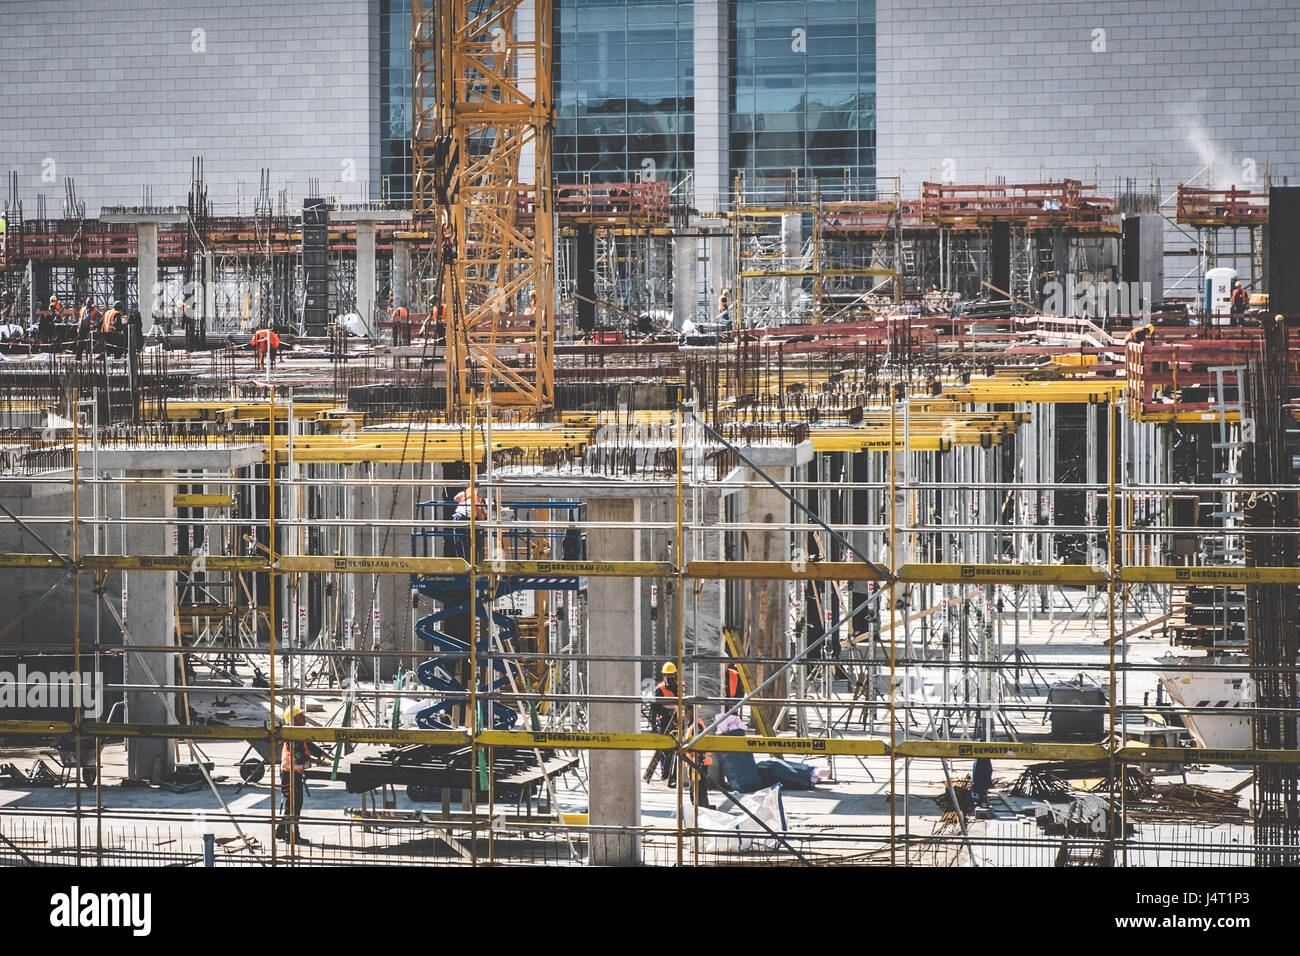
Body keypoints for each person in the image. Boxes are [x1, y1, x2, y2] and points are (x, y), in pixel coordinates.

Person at [277, 705, 327, 844]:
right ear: (293, 720)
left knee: (290, 804)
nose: (304, 718)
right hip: (289, 775)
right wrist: (318, 762)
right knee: (293, 805)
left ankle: (281, 831)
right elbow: (301, 757)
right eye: (301, 716)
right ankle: (292, 836)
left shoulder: (299, 733)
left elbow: (309, 746)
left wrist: (324, 754)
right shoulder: (292, 738)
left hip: (295, 774)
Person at [651, 662, 679, 784]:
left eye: (672, 675)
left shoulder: (679, 688)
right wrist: (667, 712)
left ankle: (674, 774)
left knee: (677, 748)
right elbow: (653, 707)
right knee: (665, 748)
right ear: (664, 675)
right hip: (664, 721)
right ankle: (665, 774)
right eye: (668, 675)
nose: (670, 678)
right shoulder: (659, 689)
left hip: (677, 721)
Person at [683, 702, 713, 809]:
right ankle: (702, 810)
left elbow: (699, 746)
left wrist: (697, 766)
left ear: (692, 711)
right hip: (694, 763)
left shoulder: (697, 725)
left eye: (686, 710)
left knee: (698, 792)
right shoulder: (692, 725)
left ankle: (703, 812)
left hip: (698, 764)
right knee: (696, 792)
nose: (684, 713)